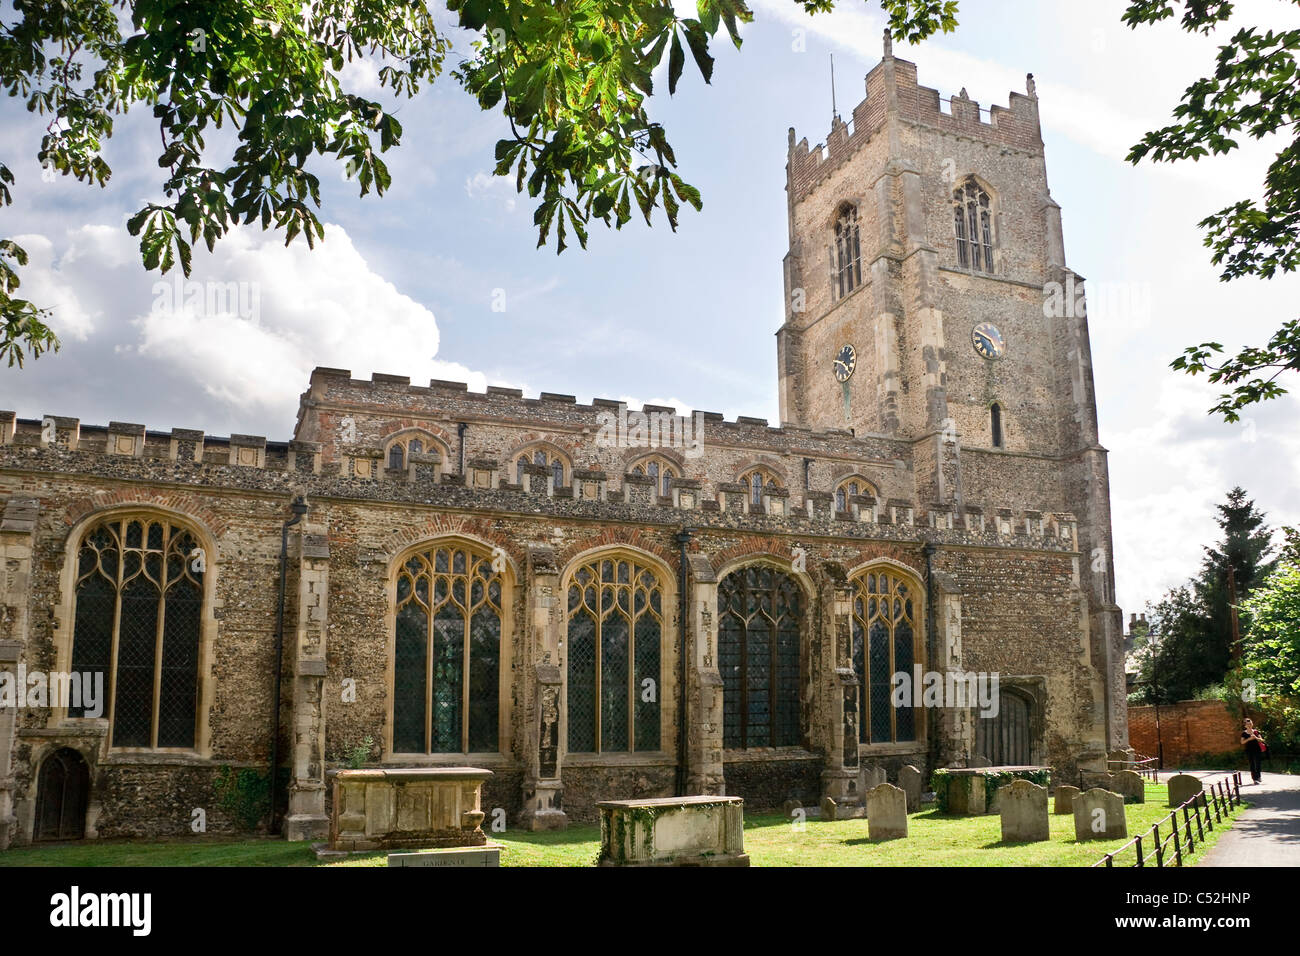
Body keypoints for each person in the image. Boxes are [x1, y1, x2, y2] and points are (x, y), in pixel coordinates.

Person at [1241, 719, 1266, 785]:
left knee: (1258, 763)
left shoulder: (1256, 731)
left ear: (1252, 724)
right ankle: (1255, 779)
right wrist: (1249, 739)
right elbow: (1242, 742)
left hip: (1257, 749)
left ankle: (1258, 776)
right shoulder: (1244, 733)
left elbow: (1261, 740)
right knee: (1252, 764)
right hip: (1249, 750)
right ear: (1245, 725)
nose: (1249, 725)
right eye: (1247, 724)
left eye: (1250, 724)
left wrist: (1255, 737)